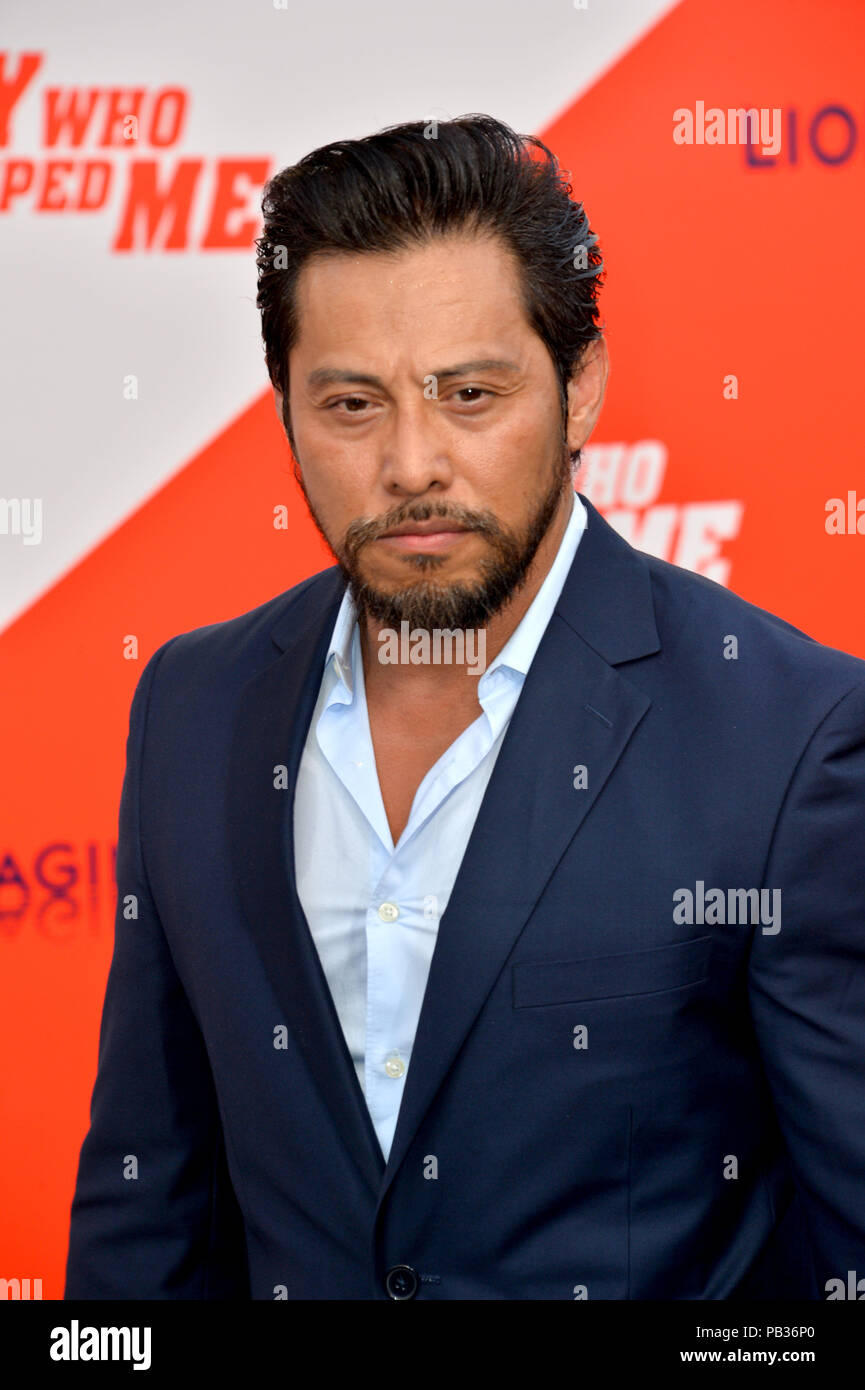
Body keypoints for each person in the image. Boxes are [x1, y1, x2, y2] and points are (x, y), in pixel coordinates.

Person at [65, 114, 865, 1300]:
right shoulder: (194, 705)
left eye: (470, 393)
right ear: (284, 412)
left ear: (579, 387)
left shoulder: (787, 735)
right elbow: (148, 1202)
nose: (412, 462)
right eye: (351, 406)